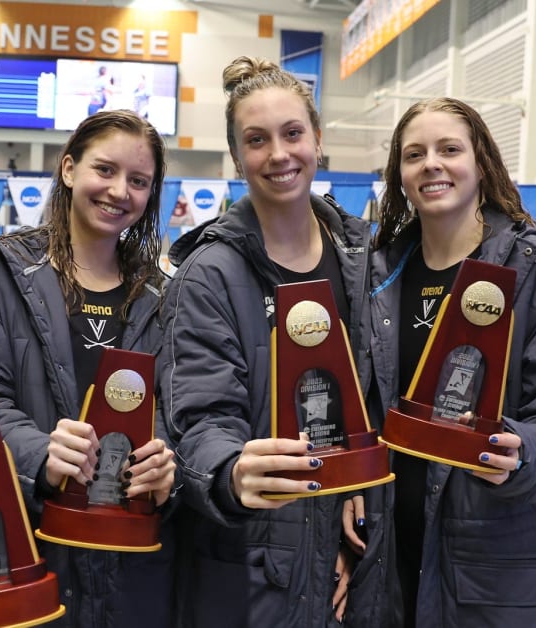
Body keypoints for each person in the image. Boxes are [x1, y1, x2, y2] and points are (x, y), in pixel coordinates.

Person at [157, 56, 392, 626]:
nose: (279, 154)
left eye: (292, 134)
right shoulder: (209, 273)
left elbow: (374, 400)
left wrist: (357, 495)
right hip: (251, 562)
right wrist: (231, 471)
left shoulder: (361, 258)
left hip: (350, 559)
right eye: (257, 141)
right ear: (238, 158)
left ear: (318, 138)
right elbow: (199, 417)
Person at [363, 97, 536, 626]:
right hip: (389, 560)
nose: (432, 164)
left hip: (496, 562)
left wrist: (522, 452)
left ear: (481, 162)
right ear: (399, 174)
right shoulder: (377, 276)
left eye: (450, 149)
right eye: (414, 154)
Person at [0, 109, 177, 627]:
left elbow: (175, 408)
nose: (120, 190)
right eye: (105, 170)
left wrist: (165, 462)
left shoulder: (163, 293)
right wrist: (40, 455)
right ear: (69, 168)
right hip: (27, 548)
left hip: (130, 560)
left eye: (138, 181)